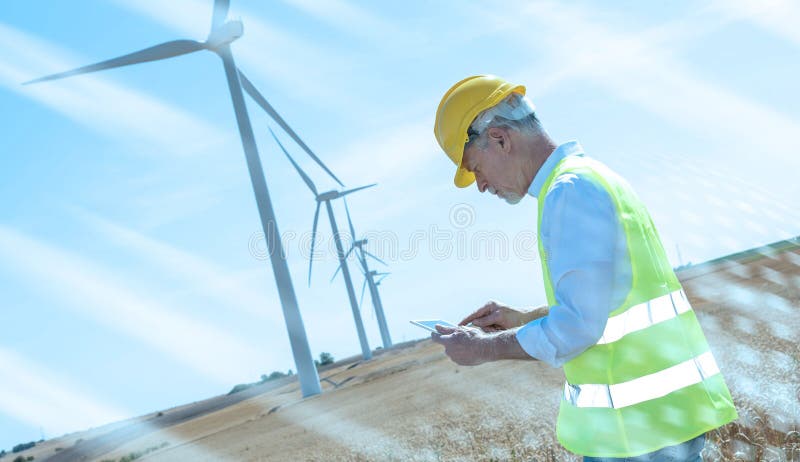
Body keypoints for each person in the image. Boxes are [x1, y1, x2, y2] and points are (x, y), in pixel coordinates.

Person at [430, 75, 738, 461]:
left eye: (475, 168)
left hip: (639, 435)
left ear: (500, 139)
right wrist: (524, 318)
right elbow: (609, 301)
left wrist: (482, 349)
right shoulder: (590, 178)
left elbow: (578, 327)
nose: (480, 185)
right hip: (657, 425)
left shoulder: (569, 192)